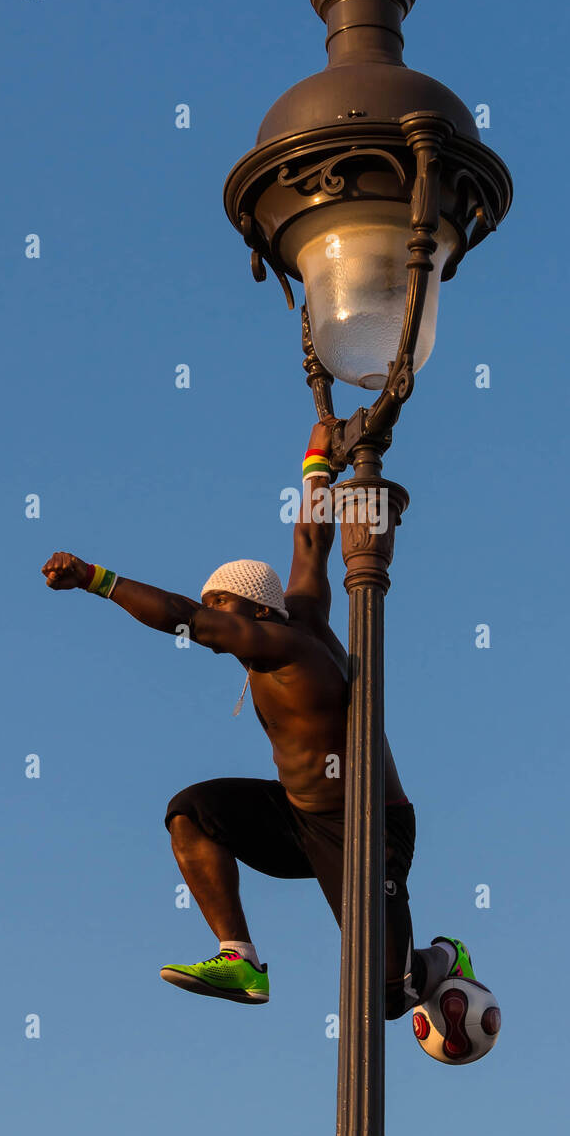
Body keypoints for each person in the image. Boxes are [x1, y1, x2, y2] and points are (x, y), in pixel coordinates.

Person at [41, 421, 477, 1019]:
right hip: (298, 816)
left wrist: (97, 579)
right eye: (212, 605)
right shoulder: (301, 611)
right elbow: (309, 540)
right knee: (191, 811)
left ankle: (443, 958)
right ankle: (238, 956)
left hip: (370, 825)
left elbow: (182, 616)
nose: (215, 616)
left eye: (223, 605)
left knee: (385, 1000)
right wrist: (318, 458)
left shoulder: (281, 643)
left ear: (256, 610)